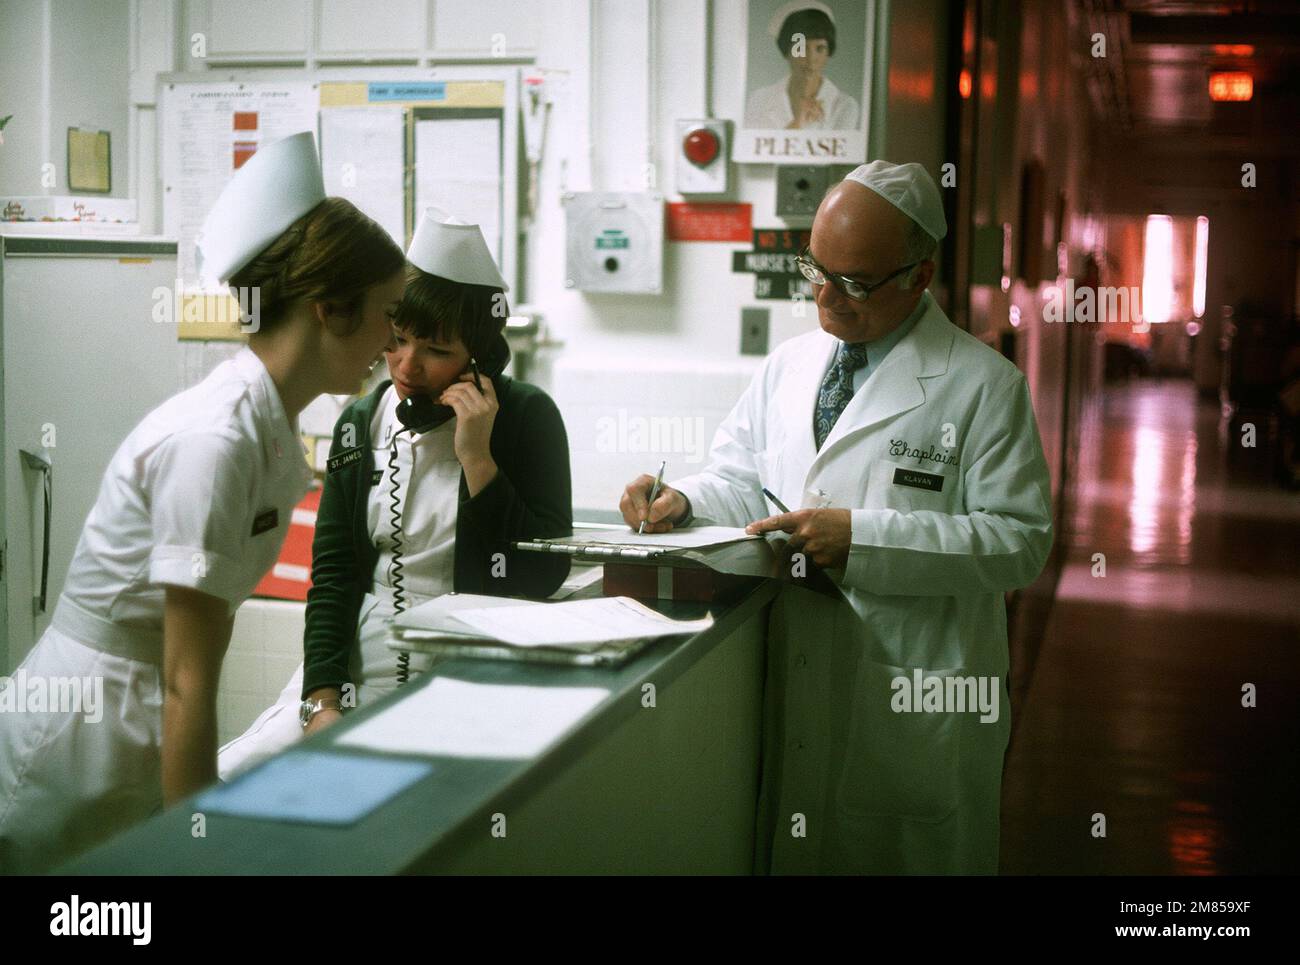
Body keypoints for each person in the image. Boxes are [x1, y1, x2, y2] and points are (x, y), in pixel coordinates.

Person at [620, 160, 1053, 874]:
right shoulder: (790, 365)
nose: (825, 294)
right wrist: (686, 500)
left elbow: (1019, 540)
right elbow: (744, 479)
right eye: (814, 269)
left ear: (919, 275)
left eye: (853, 281)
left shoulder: (984, 385)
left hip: (912, 693)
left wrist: (864, 537)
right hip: (801, 667)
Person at [0, 133, 407, 873]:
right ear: (330, 309)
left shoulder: (269, 426)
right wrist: (201, 841)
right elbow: (192, 669)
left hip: (140, 710)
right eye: (387, 313)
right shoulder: (216, 440)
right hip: (83, 724)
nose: (393, 338)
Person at [216, 210, 572, 776]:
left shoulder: (527, 417)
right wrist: (322, 702)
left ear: (479, 354)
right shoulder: (361, 420)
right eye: (398, 340)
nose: (407, 366)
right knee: (241, 775)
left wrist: (478, 458)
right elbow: (333, 573)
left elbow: (537, 578)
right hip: (359, 661)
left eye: (435, 349)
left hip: (467, 671)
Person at [743, 2, 860, 130]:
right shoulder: (759, 100)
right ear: (786, 51)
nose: (810, 59)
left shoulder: (845, 106)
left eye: (820, 49)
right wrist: (797, 122)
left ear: (828, 53)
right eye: (801, 48)